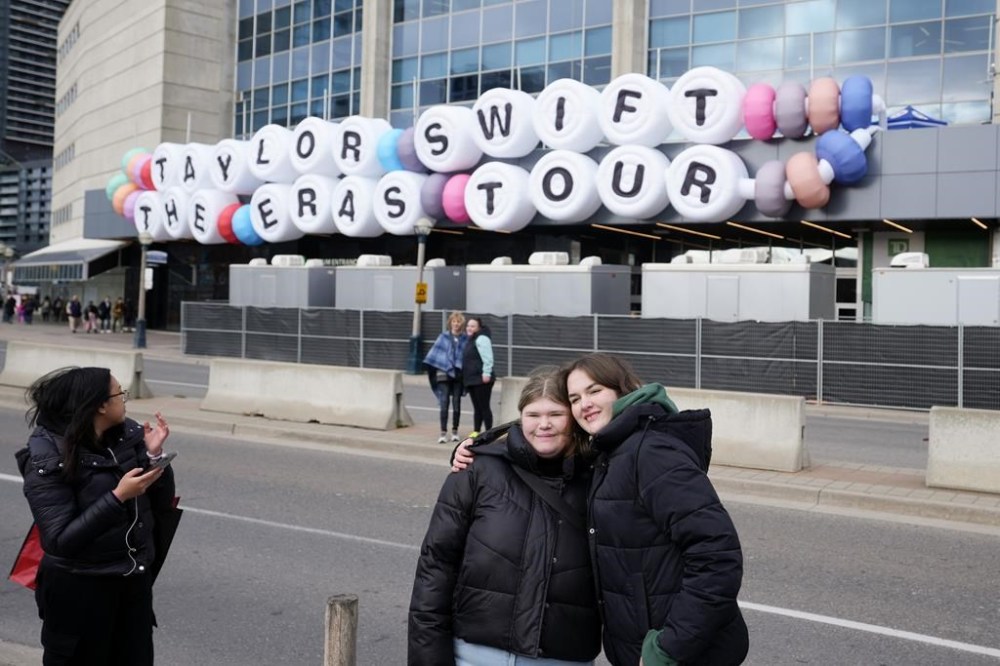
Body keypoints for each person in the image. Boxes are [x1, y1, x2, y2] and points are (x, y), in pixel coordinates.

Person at [454, 353, 749, 666]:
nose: (585, 404)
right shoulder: (610, 451)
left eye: (594, 391)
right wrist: (478, 444)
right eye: (575, 398)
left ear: (622, 389)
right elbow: (541, 428)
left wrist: (668, 647)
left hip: (682, 653)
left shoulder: (651, 452)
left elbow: (717, 555)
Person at [409, 369, 601, 665]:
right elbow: (436, 568)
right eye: (533, 414)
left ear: (574, 419)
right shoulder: (477, 471)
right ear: (520, 418)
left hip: (563, 659)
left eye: (555, 414)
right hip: (474, 657)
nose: (544, 425)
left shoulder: (600, 479)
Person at [15, 367, 176, 665]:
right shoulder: (47, 458)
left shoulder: (125, 436)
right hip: (79, 593)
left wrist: (154, 457)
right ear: (100, 405)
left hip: (131, 582)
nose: (124, 399)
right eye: (119, 393)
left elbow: (161, 503)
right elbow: (60, 540)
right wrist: (118, 497)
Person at [423, 311, 467, 444]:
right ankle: (443, 433)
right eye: (454, 321)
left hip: (459, 376)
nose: (456, 324)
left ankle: (455, 431)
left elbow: (467, 356)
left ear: (461, 324)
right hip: (443, 374)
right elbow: (435, 354)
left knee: (457, 404)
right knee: (444, 403)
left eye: (458, 322)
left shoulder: (465, 339)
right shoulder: (443, 337)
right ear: (450, 323)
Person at [462, 316, 495, 434]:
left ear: (478, 328)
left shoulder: (481, 338)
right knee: (477, 407)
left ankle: (489, 433)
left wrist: (486, 373)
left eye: (473, 326)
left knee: (484, 407)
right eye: (468, 326)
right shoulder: (470, 339)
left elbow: (488, 358)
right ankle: (476, 431)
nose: (469, 328)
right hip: (472, 379)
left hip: (481, 379)